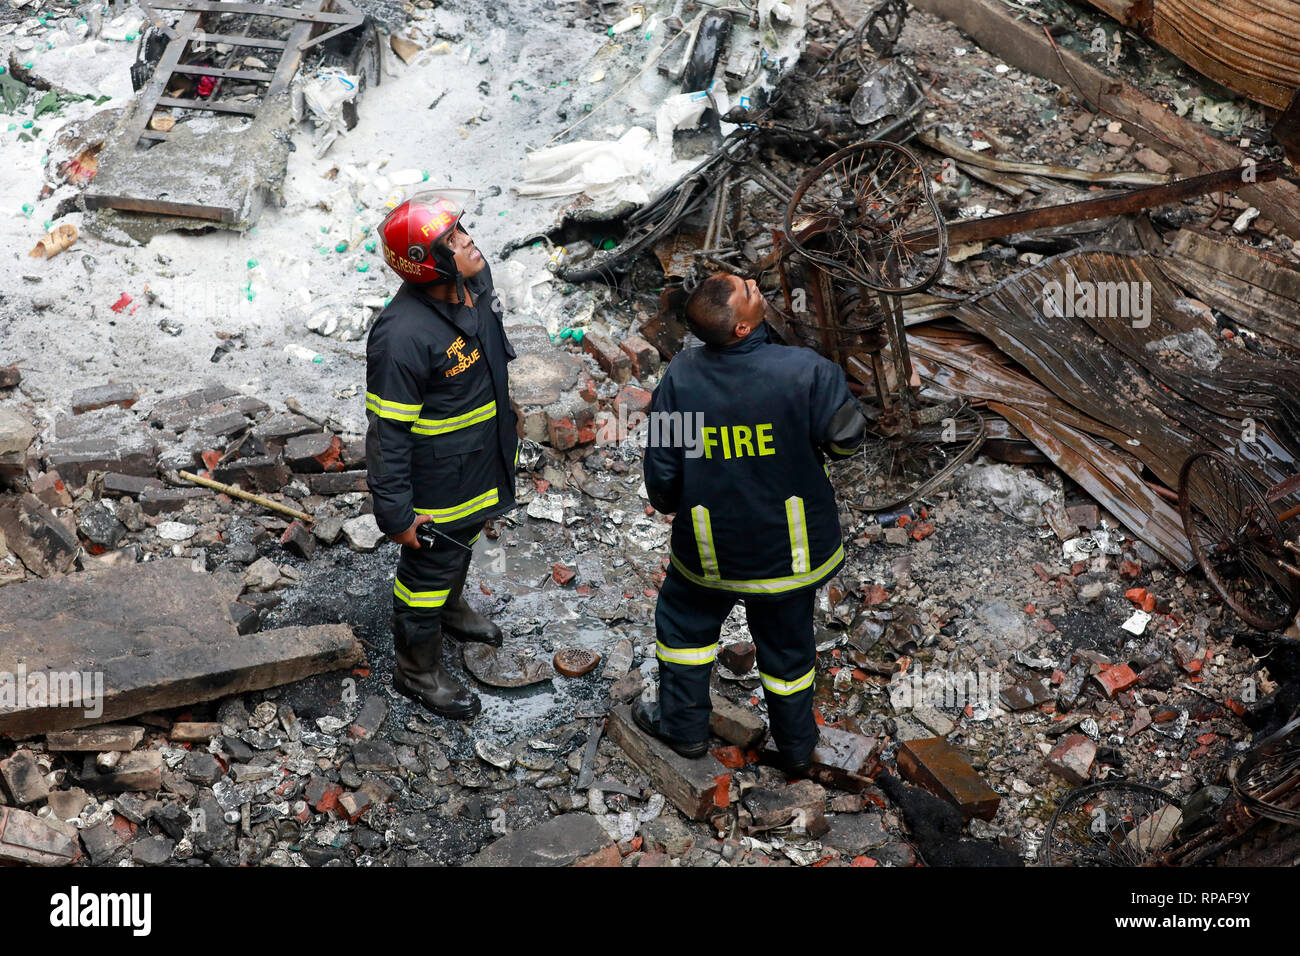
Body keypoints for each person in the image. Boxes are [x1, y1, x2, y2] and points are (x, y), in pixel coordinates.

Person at [639, 272, 866, 773]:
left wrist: (695, 496)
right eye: (749, 290)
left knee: (684, 632)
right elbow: (847, 443)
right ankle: (796, 747)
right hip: (790, 553)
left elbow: (662, 479)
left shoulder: (680, 377)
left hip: (709, 548)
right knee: (787, 651)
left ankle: (684, 731)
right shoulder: (806, 372)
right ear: (741, 327)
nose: (755, 283)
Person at [365, 189, 519, 720]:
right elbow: (386, 433)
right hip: (439, 481)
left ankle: (452, 608)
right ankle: (416, 669)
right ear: (426, 264)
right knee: (426, 573)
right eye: (452, 238)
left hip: (485, 458)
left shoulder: (474, 280)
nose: (468, 240)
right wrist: (396, 514)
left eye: (462, 229)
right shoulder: (402, 336)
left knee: (466, 540)